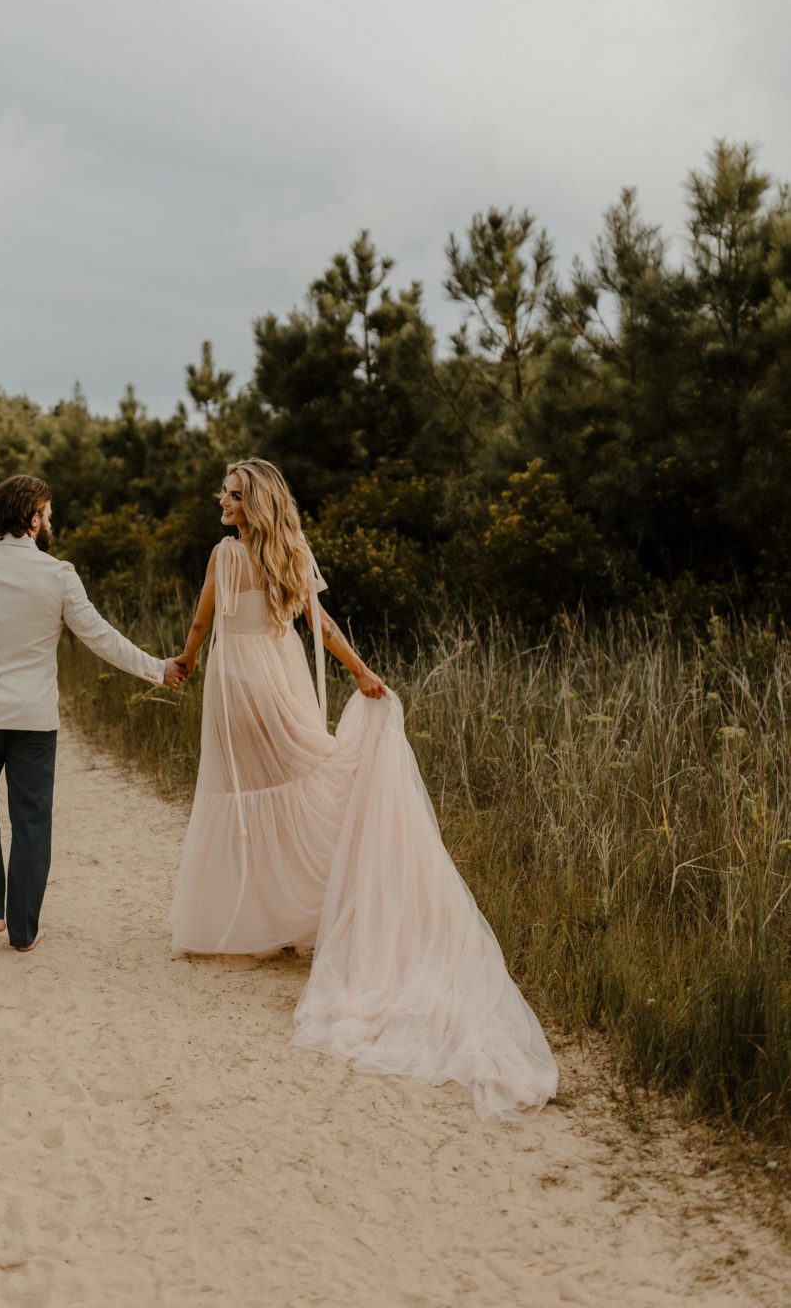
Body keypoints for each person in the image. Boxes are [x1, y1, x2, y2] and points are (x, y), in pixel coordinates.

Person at [169, 458, 558, 1121]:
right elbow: (318, 626)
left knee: (252, 798)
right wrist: (361, 673)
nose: (222, 502)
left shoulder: (225, 556)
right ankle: (299, 917)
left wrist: (185, 659)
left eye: (232, 495)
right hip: (282, 680)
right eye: (224, 494)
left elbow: (204, 625)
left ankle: (272, 918)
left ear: (250, 502)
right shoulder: (291, 551)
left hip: (236, 687)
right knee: (308, 781)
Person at [0, 474, 185, 950]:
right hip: (34, 718)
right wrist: (156, 669)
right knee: (32, 819)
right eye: (48, 515)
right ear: (33, 518)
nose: (50, 523)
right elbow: (100, 636)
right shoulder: (57, 574)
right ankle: (23, 931)